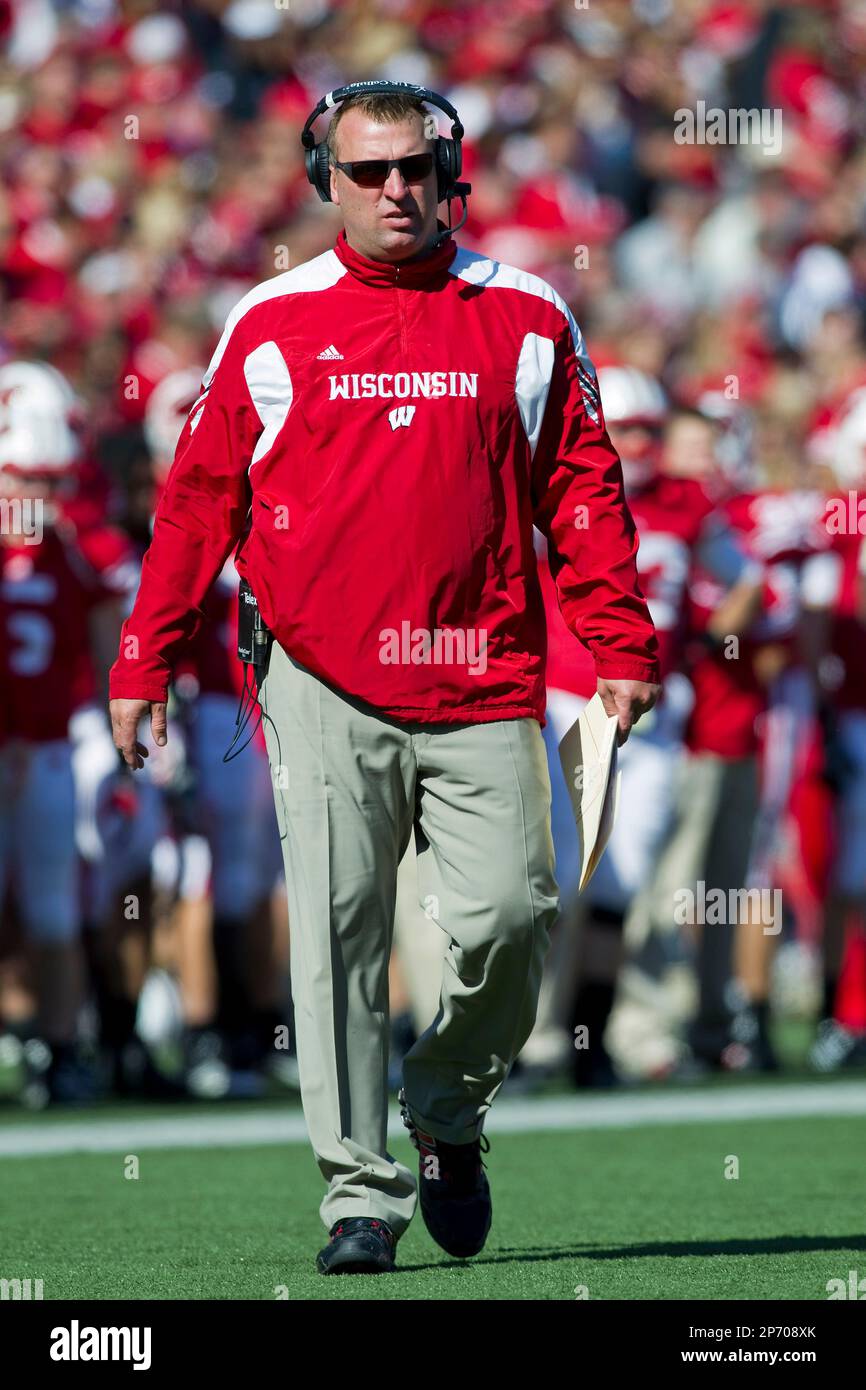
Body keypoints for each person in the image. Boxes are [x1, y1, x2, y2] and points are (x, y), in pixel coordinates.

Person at [108, 81, 660, 1275]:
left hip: (483, 667)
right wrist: (144, 658)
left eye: (414, 168)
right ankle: (360, 1191)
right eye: (366, 174)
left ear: (450, 174)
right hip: (320, 676)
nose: (394, 191)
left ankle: (446, 1110)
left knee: (519, 917)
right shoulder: (270, 320)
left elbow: (581, 489)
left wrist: (619, 641)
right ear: (327, 185)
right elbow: (201, 503)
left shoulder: (525, 315)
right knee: (339, 938)